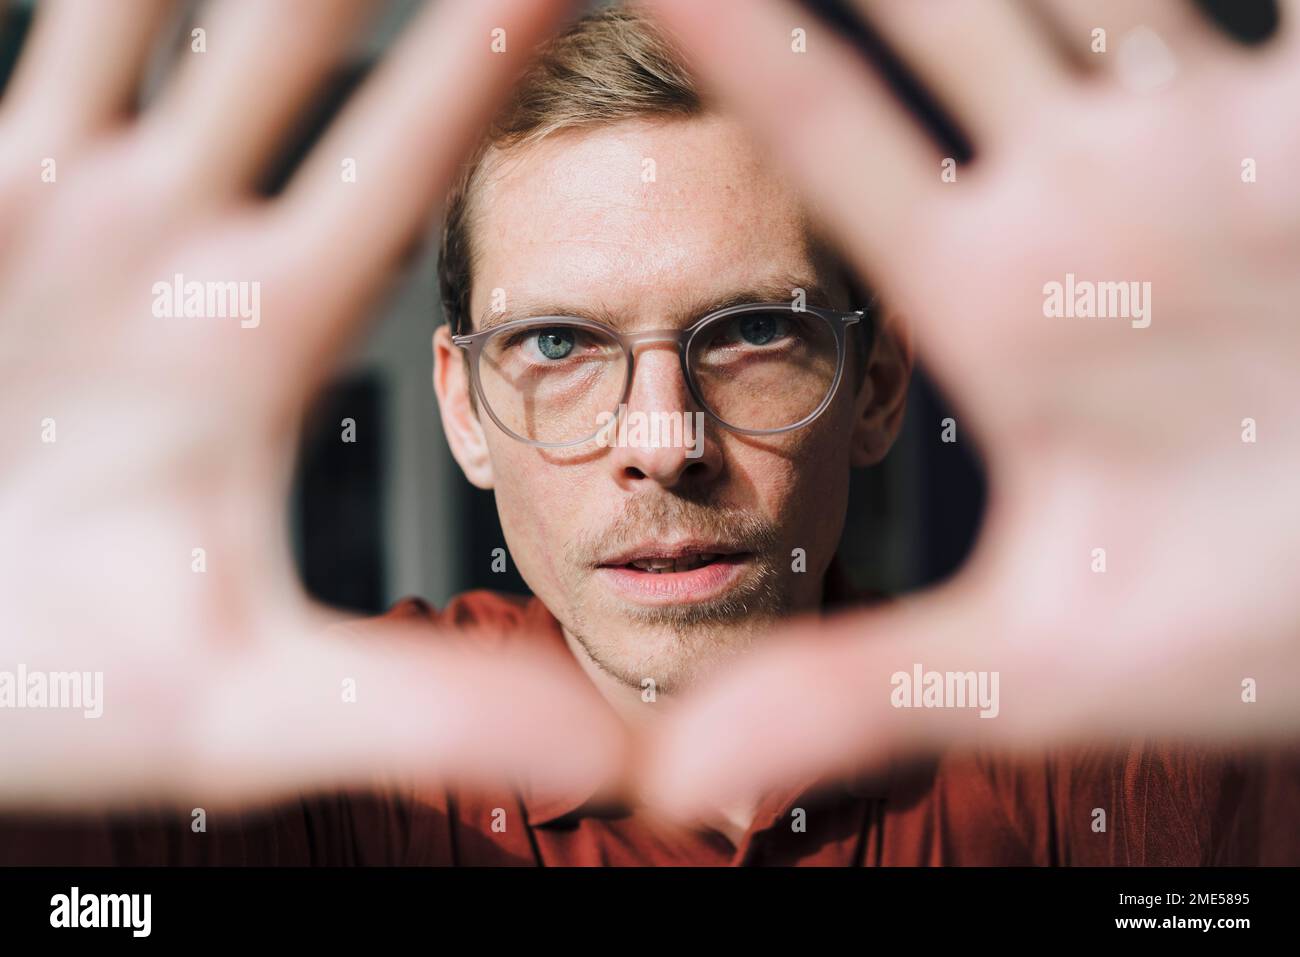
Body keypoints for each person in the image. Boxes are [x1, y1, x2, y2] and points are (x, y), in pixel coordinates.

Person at [0, 0, 1297, 865]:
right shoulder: (329, 782)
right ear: (462, 406)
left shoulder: (1085, 762)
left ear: (883, 383)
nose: (664, 438)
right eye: (558, 345)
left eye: (748, 330)